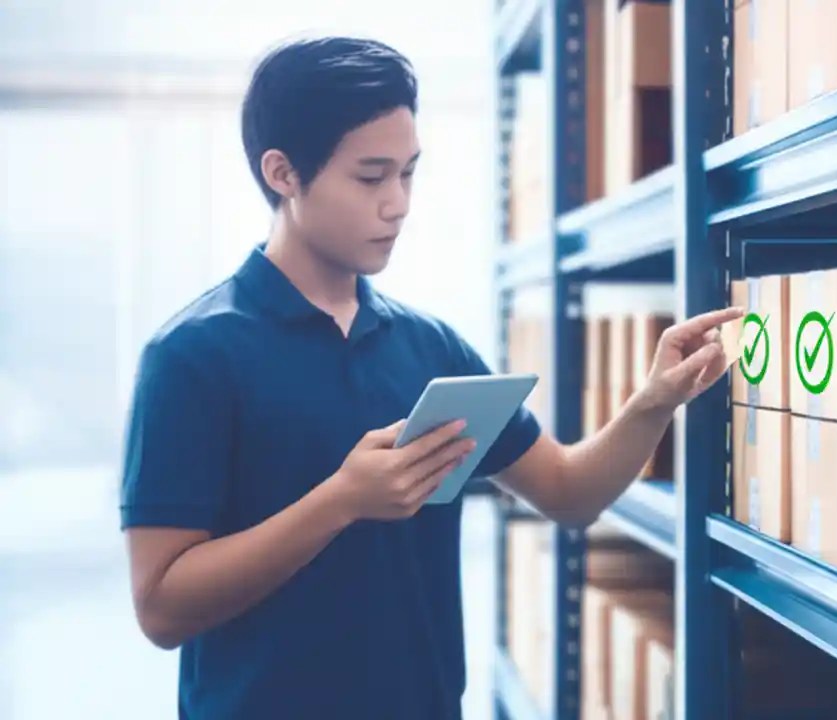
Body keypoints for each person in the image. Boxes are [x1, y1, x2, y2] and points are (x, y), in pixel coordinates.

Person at [120, 36, 741, 719]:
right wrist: (340, 501)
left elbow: (568, 492)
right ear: (283, 173)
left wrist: (652, 403)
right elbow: (161, 607)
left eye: (409, 174)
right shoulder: (192, 357)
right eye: (370, 176)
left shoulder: (430, 348)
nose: (398, 203)